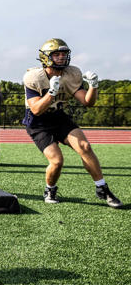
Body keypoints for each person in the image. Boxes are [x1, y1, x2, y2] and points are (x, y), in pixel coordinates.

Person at [22, 38, 122, 208]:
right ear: (46, 57)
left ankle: (102, 188)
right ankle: (50, 189)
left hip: (59, 117)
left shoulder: (71, 73)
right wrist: (51, 93)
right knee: (57, 161)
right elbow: (36, 109)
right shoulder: (34, 77)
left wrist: (93, 86)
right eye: (57, 54)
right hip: (38, 122)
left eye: (64, 54)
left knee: (84, 146)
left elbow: (87, 102)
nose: (62, 57)